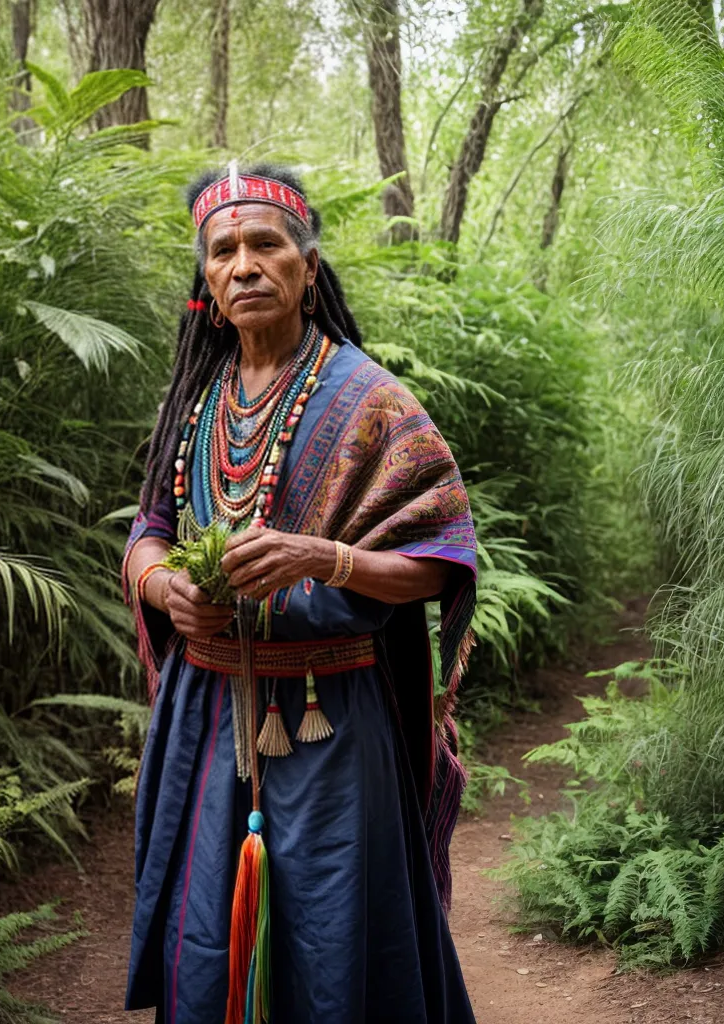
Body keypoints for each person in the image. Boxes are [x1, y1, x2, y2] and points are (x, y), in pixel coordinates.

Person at [122, 161, 478, 1024]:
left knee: (332, 932)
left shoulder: (371, 400)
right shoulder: (196, 403)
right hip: (206, 720)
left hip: (328, 724)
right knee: (204, 931)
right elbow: (146, 533)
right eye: (223, 250)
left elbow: (440, 557)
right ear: (206, 279)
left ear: (307, 267)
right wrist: (167, 587)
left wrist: (324, 558)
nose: (244, 264)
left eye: (266, 245)